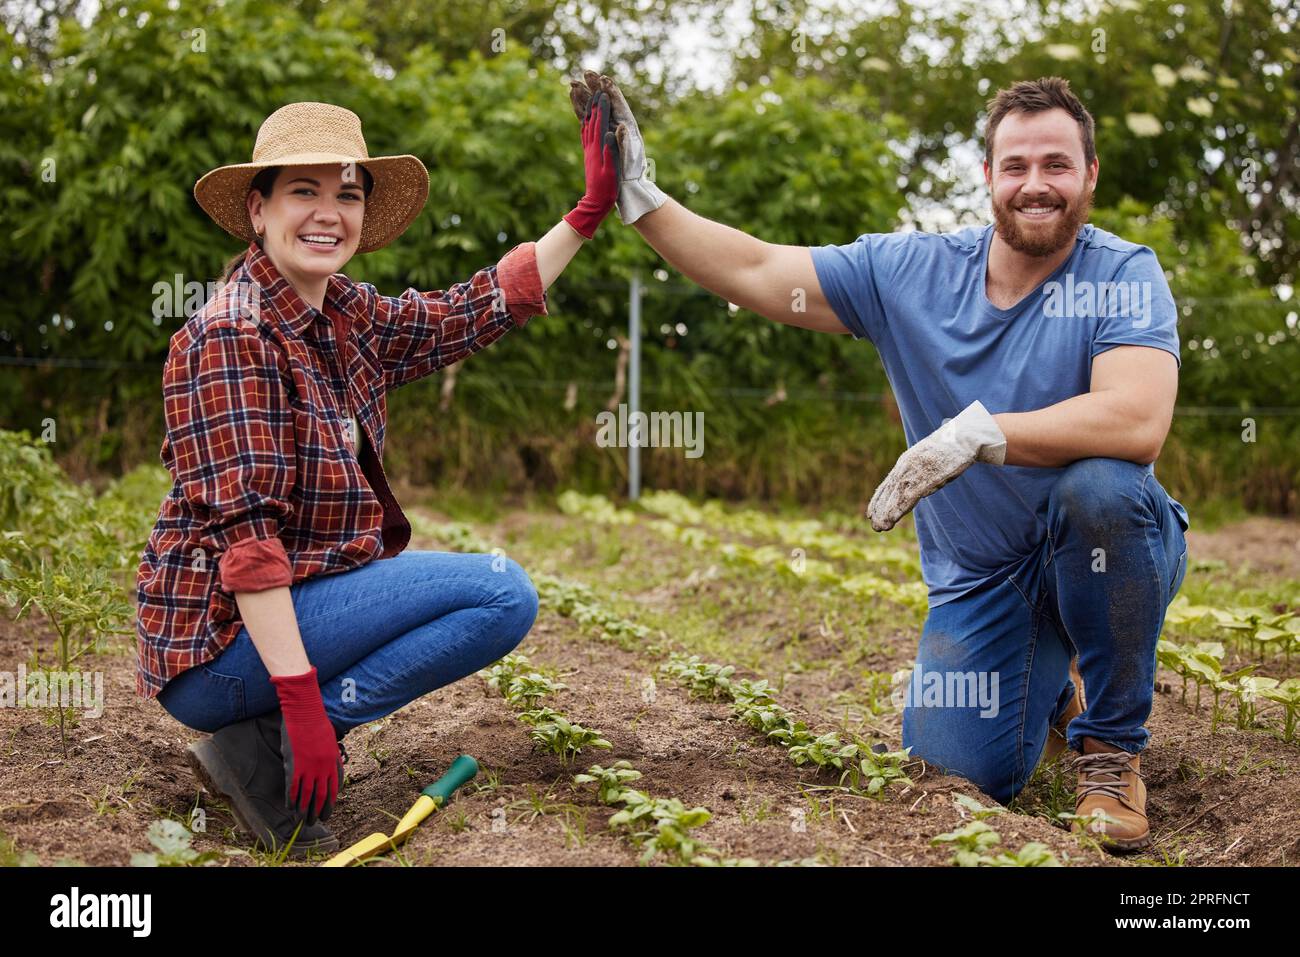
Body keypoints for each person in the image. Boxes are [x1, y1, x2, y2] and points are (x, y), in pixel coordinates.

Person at [571, 71, 1188, 852]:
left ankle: (1110, 748)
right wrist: (643, 203)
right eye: (1016, 166)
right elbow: (762, 271)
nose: (1037, 185)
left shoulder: (1122, 274)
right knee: (953, 771)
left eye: (1058, 165)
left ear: (1090, 174)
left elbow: (1136, 417)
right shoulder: (913, 273)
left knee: (1102, 489)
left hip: (1103, 543)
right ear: (989, 177)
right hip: (987, 580)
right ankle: (1048, 681)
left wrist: (980, 431)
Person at [134, 96, 619, 858]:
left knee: (499, 599)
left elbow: (470, 308)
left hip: (291, 611)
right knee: (499, 590)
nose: (329, 213)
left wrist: (588, 213)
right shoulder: (228, 336)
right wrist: (300, 703)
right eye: (305, 191)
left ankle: (265, 749)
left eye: (347, 194)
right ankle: (277, 746)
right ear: (257, 211)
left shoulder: (348, 314)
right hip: (219, 648)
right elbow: (250, 544)